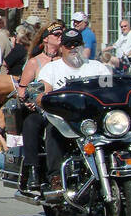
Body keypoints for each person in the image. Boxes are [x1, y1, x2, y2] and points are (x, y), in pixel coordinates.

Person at [22, 29, 111, 192]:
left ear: (83, 46)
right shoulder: (52, 69)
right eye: (69, 45)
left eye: (77, 44)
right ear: (62, 47)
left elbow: (110, 91)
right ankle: (55, 177)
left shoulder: (97, 68)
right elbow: (45, 90)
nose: (73, 48)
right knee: (54, 129)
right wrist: (42, 97)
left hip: (94, 118)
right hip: (65, 119)